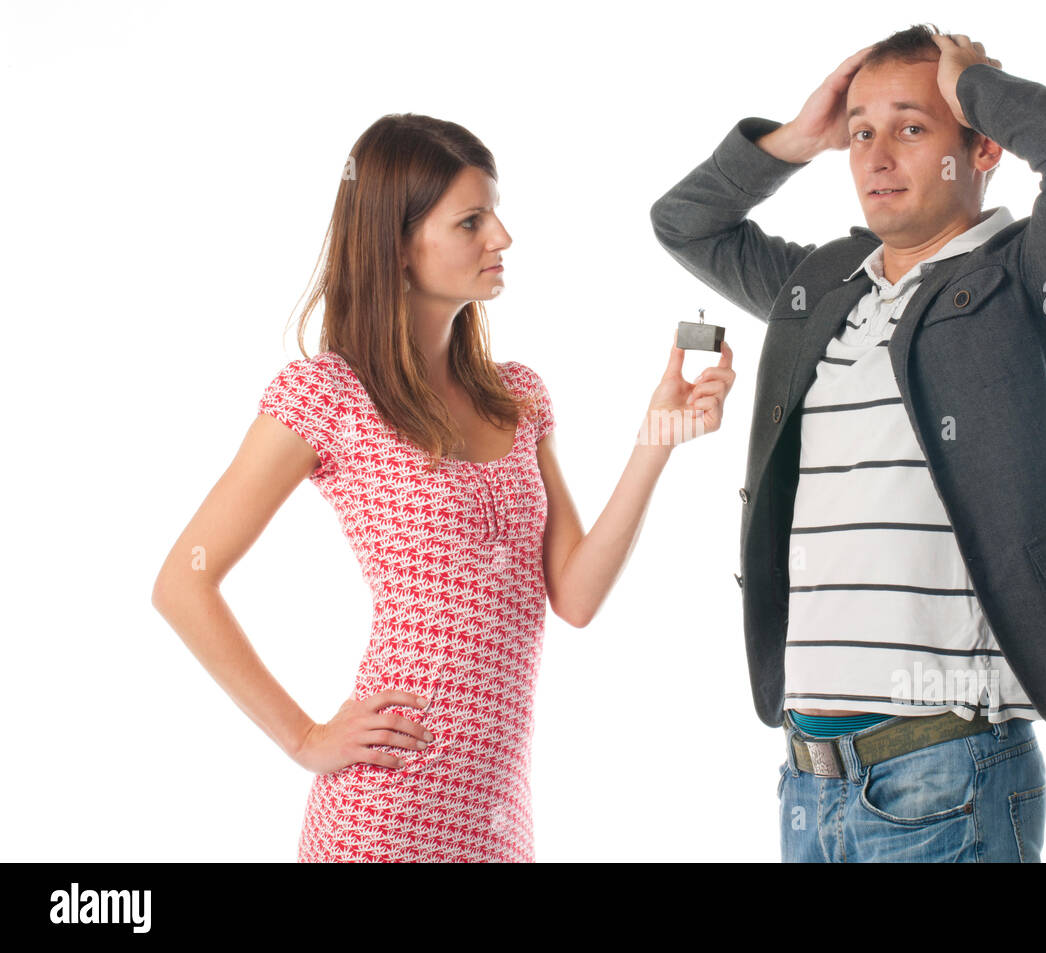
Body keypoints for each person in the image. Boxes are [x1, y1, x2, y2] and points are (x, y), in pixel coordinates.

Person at [151, 113, 735, 862]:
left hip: (497, 813)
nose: (502, 237)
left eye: (494, 212)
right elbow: (182, 584)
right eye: (471, 220)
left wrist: (658, 440)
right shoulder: (325, 396)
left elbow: (577, 597)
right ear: (397, 245)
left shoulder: (517, 397)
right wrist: (305, 737)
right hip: (386, 810)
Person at [650, 24, 1046, 862]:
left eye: (913, 128)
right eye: (861, 133)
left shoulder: (1027, 280)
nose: (876, 156)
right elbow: (685, 223)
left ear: (980, 146)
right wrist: (796, 139)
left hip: (947, 775)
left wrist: (977, 83)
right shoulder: (819, 289)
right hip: (810, 780)